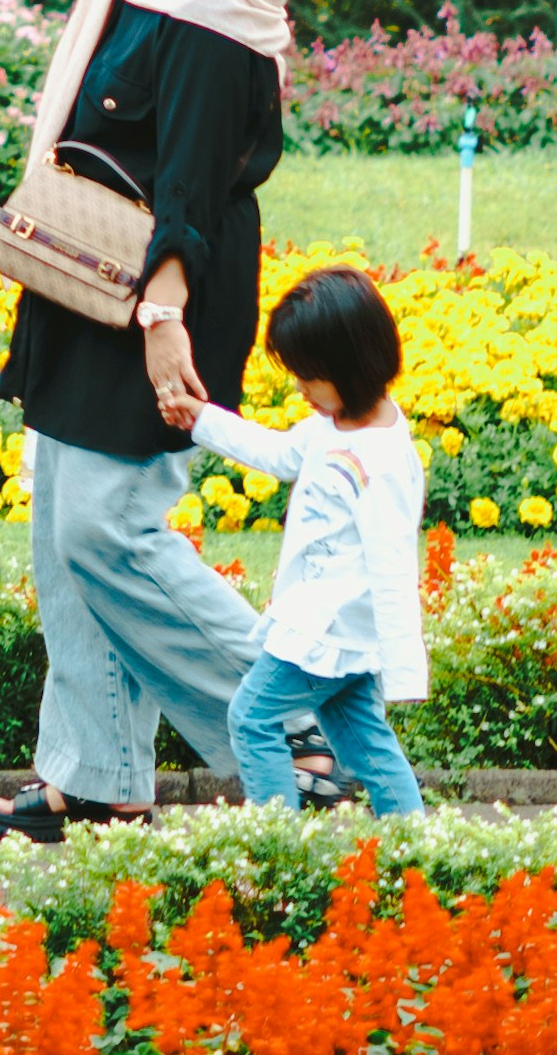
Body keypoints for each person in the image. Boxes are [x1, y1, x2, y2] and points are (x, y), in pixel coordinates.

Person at [0, 0, 292, 844]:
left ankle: (289, 719)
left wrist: (163, 321)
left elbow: (193, 182)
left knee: (109, 526)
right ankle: (95, 773)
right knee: (64, 530)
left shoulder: (211, 1)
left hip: (161, 288)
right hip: (88, 283)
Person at [175, 265, 432, 822]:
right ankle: (417, 848)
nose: (301, 388)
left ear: (354, 365)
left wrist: (405, 667)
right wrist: (201, 421)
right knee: (364, 743)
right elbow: (277, 454)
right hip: (330, 632)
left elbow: (393, 567)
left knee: (252, 718)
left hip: (326, 632)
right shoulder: (329, 427)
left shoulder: (382, 460)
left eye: (311, 375)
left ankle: (277, 850)